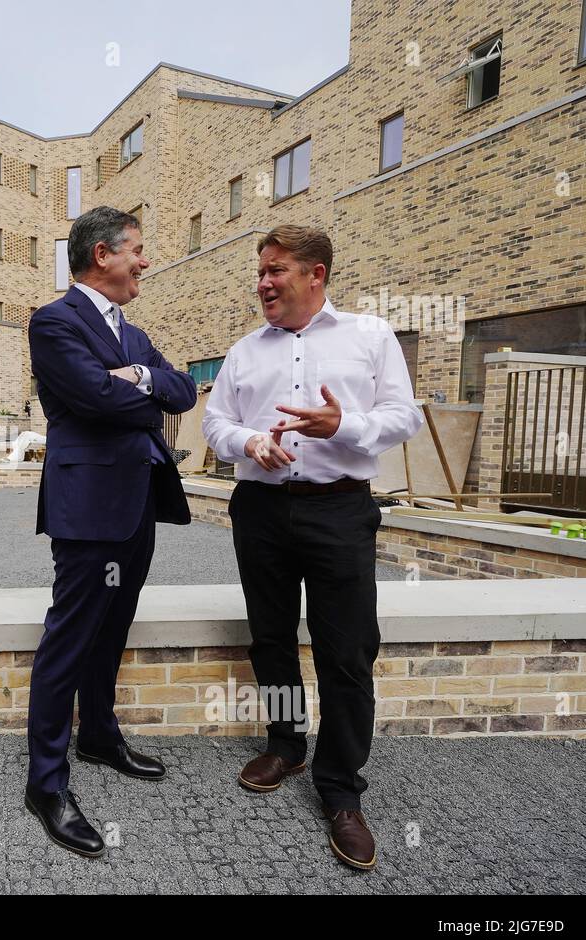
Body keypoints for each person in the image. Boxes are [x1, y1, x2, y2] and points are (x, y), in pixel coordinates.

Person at [201, 225, 422, 870]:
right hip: (262, 510)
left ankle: (341, 788)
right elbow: (215, 421)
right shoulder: (244, 352)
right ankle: (285, 742)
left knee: (347, 648)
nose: (263, 282)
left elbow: (405, 416)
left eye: (276, 271)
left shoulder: (370, 336)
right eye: (261, 271)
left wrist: (343, 425)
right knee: (270, 638)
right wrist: (249, 444)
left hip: (339, 509)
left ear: (315, 273)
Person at [25, 205, 197, 857]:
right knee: (70, 636)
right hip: (89, 503)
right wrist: (127, 392)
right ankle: (46, 783)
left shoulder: (132, 333)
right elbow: (94, 399)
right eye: (138, 250)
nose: (145, 260)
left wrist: (143, 377)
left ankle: (97, 736)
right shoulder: (53, 321)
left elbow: (182, 393)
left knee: (112, 628)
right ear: (103, 254)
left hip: (137, 500)